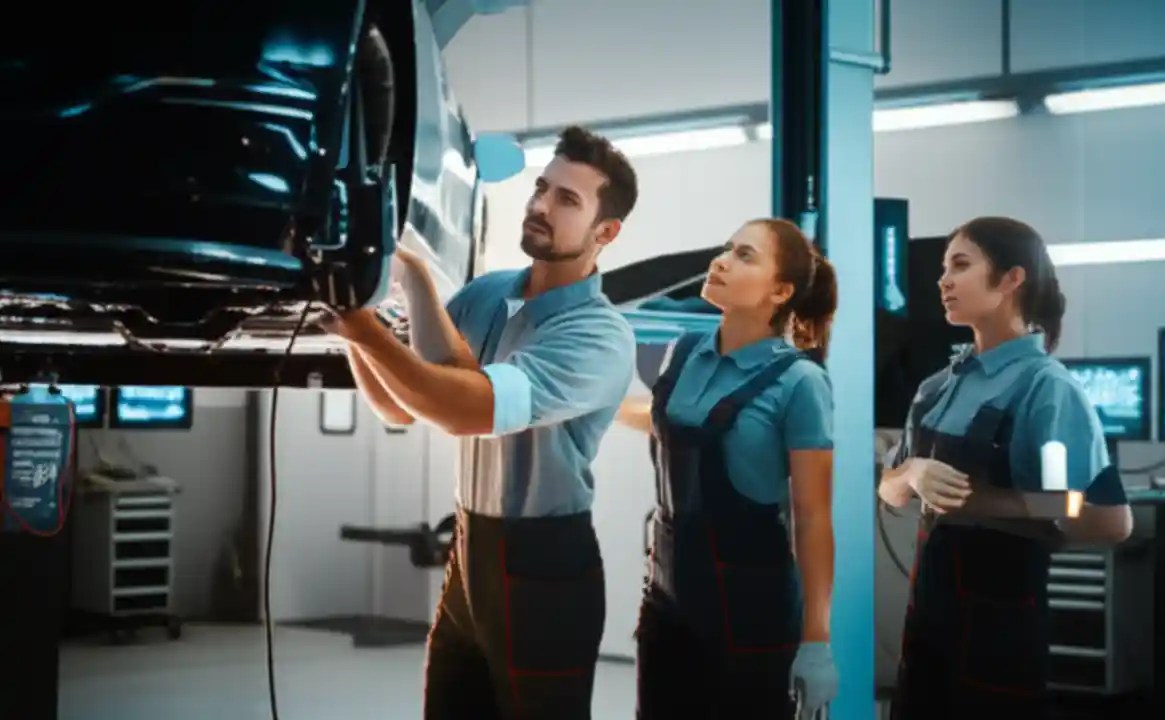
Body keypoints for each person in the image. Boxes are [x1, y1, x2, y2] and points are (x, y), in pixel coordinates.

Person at [321, 126, 639, 720]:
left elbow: (465, 412)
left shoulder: (599, 336)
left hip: (546, 566)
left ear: (606, 232)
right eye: (542, 187)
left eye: (567, 199)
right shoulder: (489, 294)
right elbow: (400, 404)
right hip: (470, 559)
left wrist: (387, 305)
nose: (541, 204)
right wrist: (349, 329)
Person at [877, 217, 1134, 719]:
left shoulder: (1047, 387)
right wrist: (910, 475)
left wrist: (980, 500)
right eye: (943, 268)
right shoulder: (936, 388)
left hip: (1002, 629)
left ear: (1012, 278)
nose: (943, 281)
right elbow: (890, 490)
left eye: (961, 265)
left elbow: (1108, 520)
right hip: (928, 622)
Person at [615, 218, 840, 719]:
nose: (720, 261)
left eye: (745, 256)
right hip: (667, 604)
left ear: (780, 291)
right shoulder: (685, 353)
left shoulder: (801, 382)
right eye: (725, 249)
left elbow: (813, 517)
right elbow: (665, 420)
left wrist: (816, 642)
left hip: (752, 618)